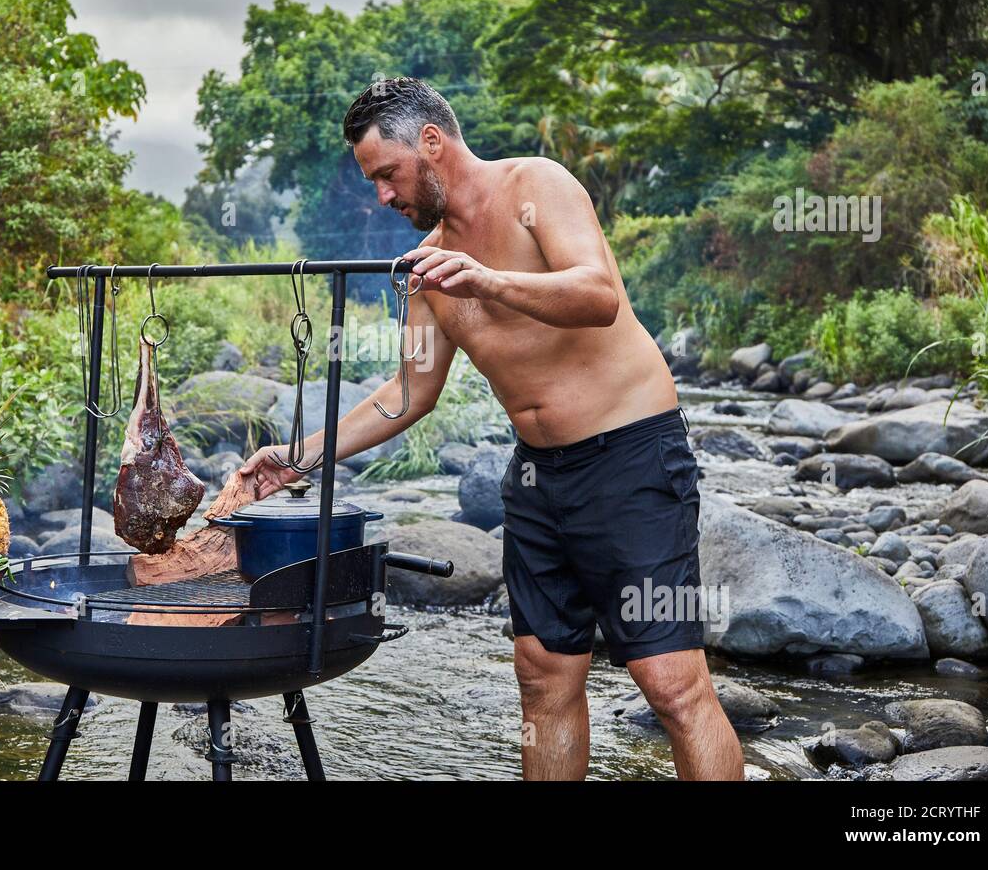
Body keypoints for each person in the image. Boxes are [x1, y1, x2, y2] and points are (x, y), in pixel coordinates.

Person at [239, 77, 744, 781]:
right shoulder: (426, 273)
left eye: (388, 175)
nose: (383, 197)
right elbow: (408, 392)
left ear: (433, 143)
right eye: (374, 183)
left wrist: (487, 280)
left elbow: (598, 294)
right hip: (539, 478)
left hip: (633, 458)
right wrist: (299, 458)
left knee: (671, 685)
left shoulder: (536, 185)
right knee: (542, 681)